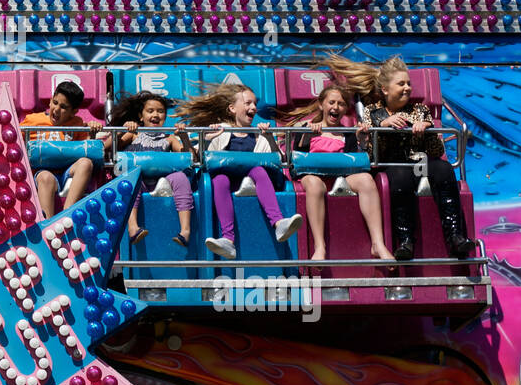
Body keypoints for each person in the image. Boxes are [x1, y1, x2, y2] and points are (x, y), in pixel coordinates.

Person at [325, 54, 475, 261]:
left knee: (444, 170)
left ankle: (455, 237)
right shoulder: (373, 113)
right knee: (400, 177)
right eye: (401, 84)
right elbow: (370, 155)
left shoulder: (420, 110)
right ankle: (405, 241)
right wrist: (382, 127)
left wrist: (426, 130)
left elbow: (435, 150)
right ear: (385, 90)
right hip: (391, 164)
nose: (407, 88)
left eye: (409, 84)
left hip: (420, 161)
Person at [183, 83, 301, 260]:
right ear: (232, 108)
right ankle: (228, 240)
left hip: (252, 183)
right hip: (228, 183)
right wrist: (207, 140)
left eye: (254, 104)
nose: (253, 107)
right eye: (247, 103)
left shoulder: (259, 135)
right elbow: (197, 160)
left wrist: (270, 138)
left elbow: (281, 161)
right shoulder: (220, 130)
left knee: (258, 170)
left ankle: (279, 223)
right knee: (219, 180)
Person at [283, 85, 392, 262]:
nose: (336, 107)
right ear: (321, 105)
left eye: (341, 104)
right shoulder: (308, 128)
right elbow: (295, 161)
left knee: (366, 180)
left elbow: (356, 163)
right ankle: (320, 246)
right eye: (331, 102)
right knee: (313, 182)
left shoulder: (347, 133)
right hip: (315, 178)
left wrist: (362, 142)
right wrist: (307, 137)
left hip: (339, 179)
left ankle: (378, 244)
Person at [111, 91, 194, 246]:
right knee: (130, 177)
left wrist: (184, 137)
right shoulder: (133, 135)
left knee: (180, 178)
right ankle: (133, 228)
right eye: (150, 111)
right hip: (139, 182)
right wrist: (122, 130)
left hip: (161, 183)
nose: (155, 114)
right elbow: (110, 148)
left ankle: (185, 231)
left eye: (160, 111)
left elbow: (190, 159)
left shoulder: (169, 138)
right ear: (141, 116)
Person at [20, 81, 104, 219]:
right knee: (46, 177)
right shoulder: (32, 120)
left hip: (66, 172)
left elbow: (85, 148)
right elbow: (14, 139)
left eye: (64, 107)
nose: (57, 109)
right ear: (50, 101)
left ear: (73, 112)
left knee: (86, 163)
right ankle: (47, 223)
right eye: (55, 102)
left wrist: (92, 131)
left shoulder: (76, 123)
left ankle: (67, 216)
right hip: (43, 173)